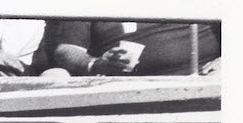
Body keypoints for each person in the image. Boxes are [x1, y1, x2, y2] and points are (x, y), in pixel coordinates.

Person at [46, 20, 220, 76]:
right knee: (53, 76)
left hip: (203, 78)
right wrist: (96, 64)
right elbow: (66, 50)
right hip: (124, 88)